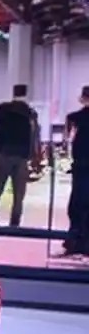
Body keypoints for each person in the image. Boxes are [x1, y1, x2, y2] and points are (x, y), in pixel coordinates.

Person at [0, 84, 38, 227]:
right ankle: (15, 222)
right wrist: (33, 156)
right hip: (21, 156)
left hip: (4, 153)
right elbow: (33, 136)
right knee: (19, 193)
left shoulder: (2, 110)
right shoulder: (30, 112)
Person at [65, 87, 89, 256]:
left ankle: (76, 238)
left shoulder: (76, 118)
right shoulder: (77, 117)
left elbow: (70, 121)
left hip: (81, 165)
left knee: (78, 203)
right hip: (81, 164)